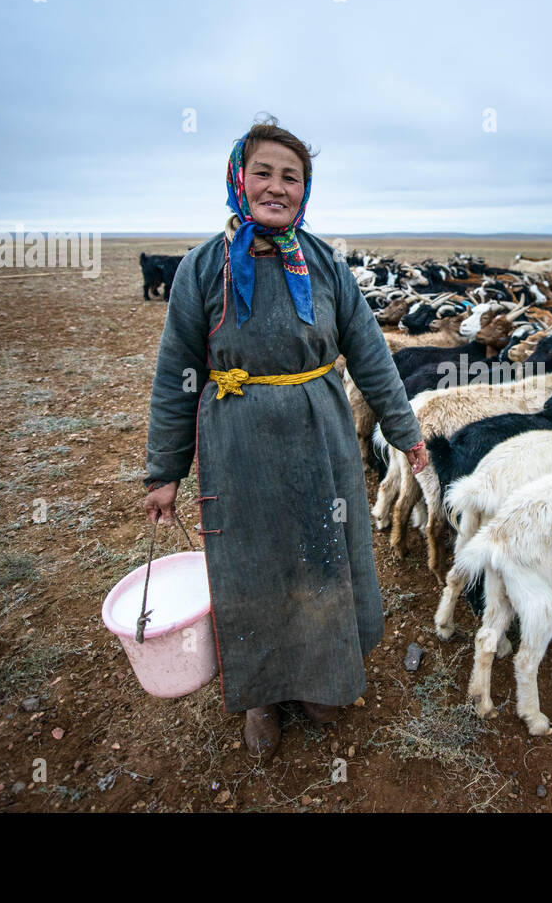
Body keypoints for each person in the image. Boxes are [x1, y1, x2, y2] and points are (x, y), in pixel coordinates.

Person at [141, 116, 427, 761]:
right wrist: (165, 471)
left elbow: (372, 357)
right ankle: (262, 698)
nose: (277, 186)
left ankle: (325, 681)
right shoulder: (200, 269)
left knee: (324, 559)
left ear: (305, 189)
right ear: (237, 180)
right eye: (263, 172)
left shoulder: (325, 264)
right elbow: (175, 373)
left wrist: (405, 431)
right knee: (249, 570)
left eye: (291, 177)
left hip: (321, 437)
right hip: (237, 447)